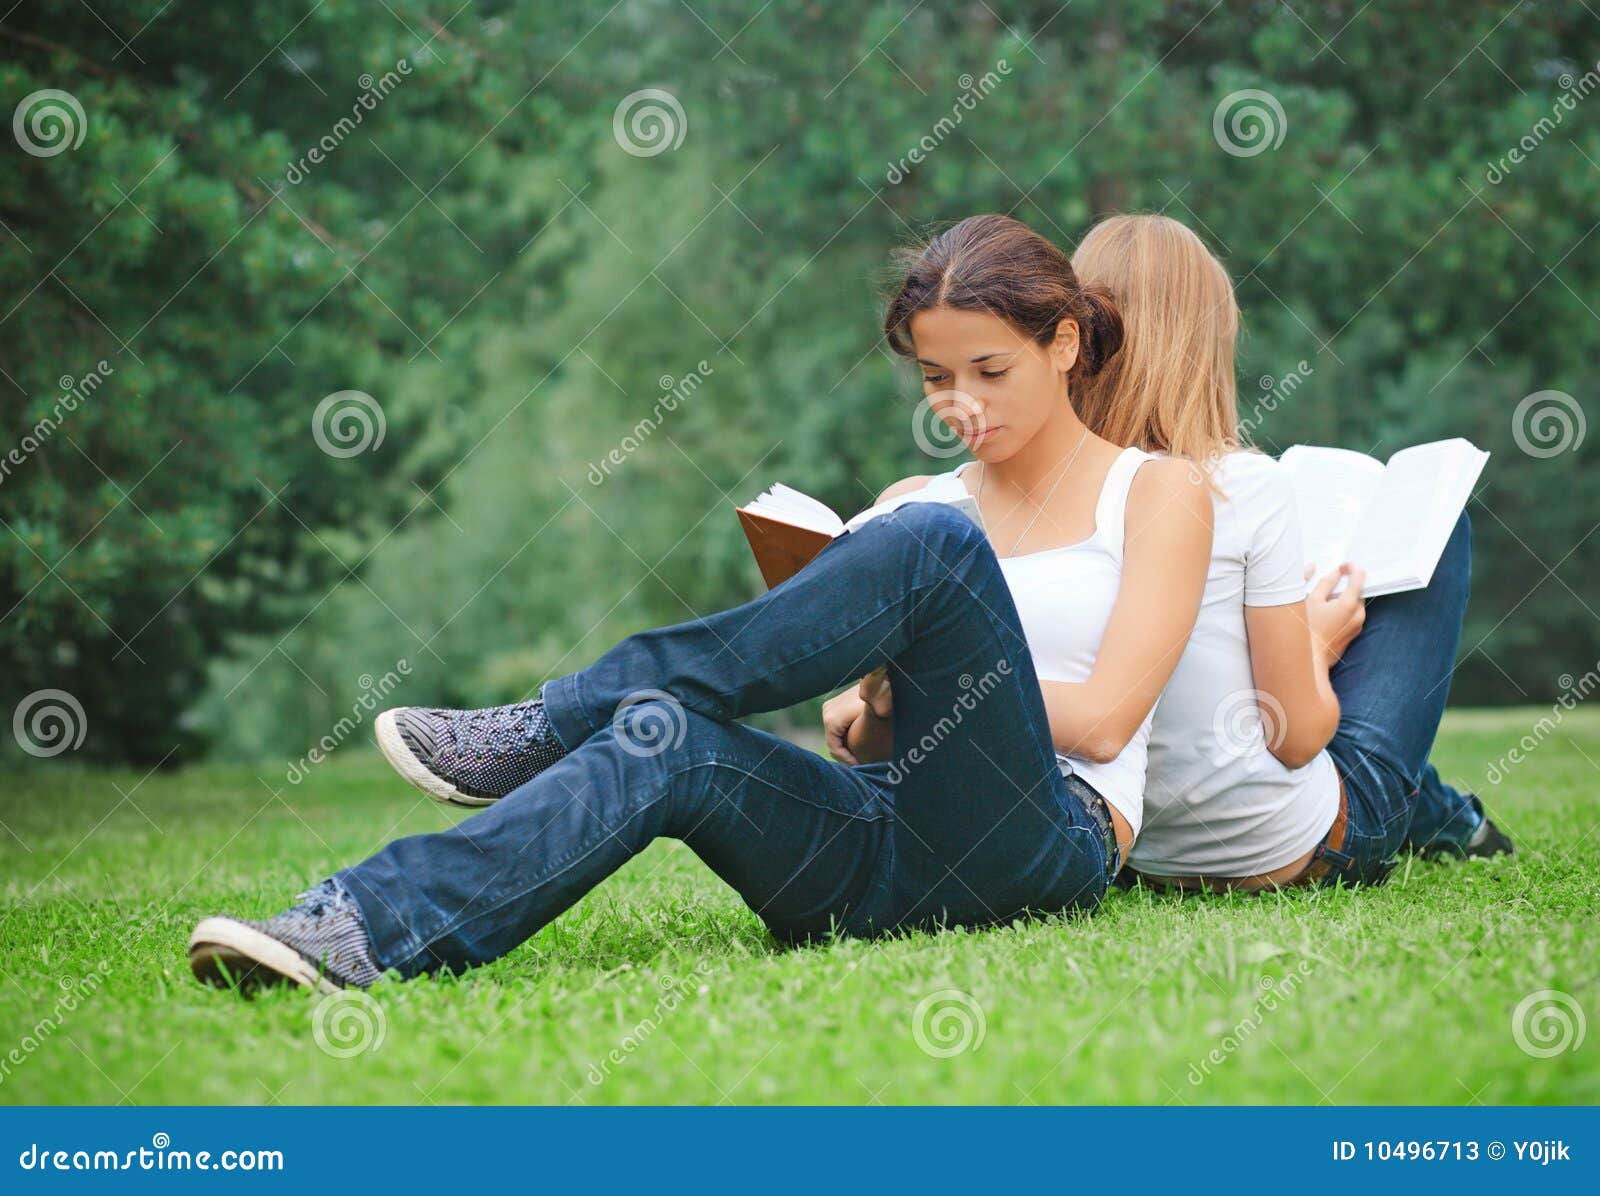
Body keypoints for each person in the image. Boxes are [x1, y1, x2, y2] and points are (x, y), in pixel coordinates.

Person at [188, 213, 1212, 993]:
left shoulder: (1153, 490)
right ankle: (360, 926)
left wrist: (938, 679)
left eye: (989, 369)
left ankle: (556, 715)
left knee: (934, 549)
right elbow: (845, 732)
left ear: (1066, 344)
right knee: (660, 728)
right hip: (880, 855)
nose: (960, 405)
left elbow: (1113, 715)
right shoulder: (914, 502)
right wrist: (876, 702)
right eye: (938, 376)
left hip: (1039, 840)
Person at [1066, 213, 1511, 892]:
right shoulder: (1244, 488)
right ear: (1206, 345)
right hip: (1304, 844)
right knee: (1438, 525)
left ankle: (1452, 819)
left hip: (1129, 843)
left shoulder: (1043, 501)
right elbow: (1296, 736)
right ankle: (1450, 820)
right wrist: (1315, 644)